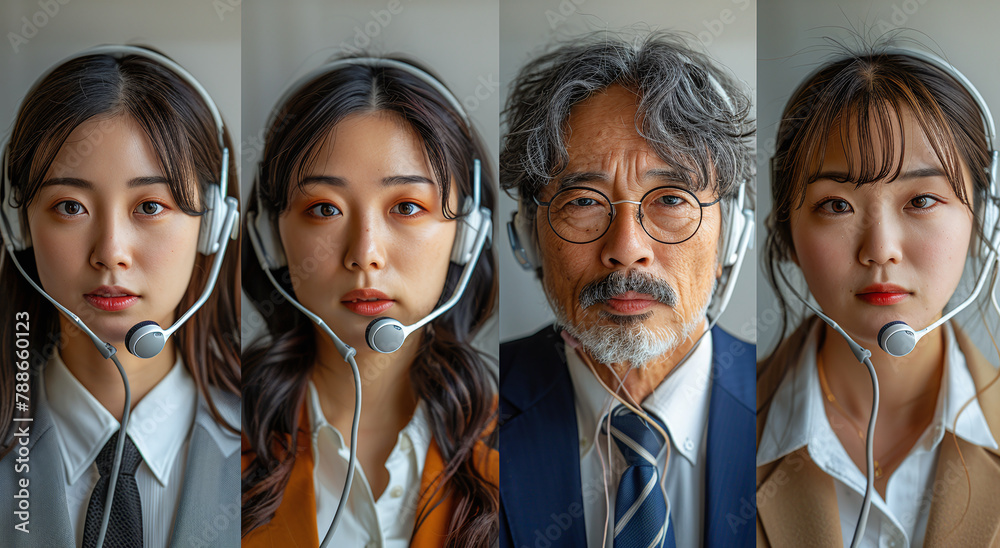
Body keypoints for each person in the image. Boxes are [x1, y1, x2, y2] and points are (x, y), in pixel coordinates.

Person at [499, 31, 756, 548]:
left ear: (732, 234)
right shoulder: (477, 404)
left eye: (670, 198)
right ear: (528, 235)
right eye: (583, 201)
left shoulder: (785, 401)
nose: (627, 248)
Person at [240, 56, 500, 547]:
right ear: (270, 239)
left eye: (406, 207)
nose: (365, 255)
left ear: (467, 235)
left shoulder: (518, 451)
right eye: (323, 209)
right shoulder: (217, 444)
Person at [756, 46, 1000, 547]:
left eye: (923, 199)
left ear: (985, 222)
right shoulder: (723, 428)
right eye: (837, 205)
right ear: (787, 234)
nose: (881, 250)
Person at [0, 46, 241, 547]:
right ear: (18, 227)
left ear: (213, 228)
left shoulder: (270, 446)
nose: (111, 253)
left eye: (150, 205)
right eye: (70, 205)